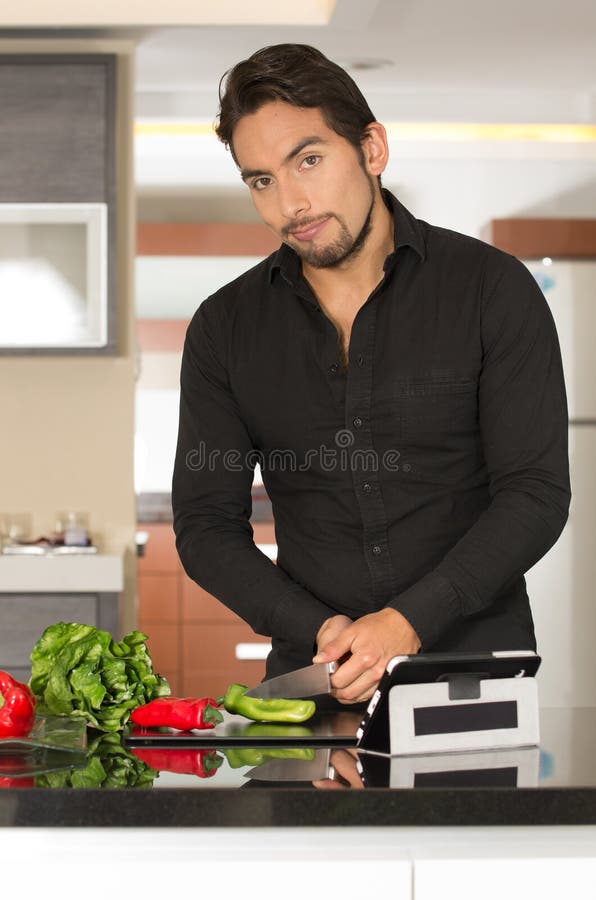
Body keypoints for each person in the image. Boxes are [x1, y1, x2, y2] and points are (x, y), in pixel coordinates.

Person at [172, 44, 570, 705]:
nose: (290, 202)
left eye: (309, 159)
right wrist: (321, 629)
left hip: (474, 677)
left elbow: (534, 493)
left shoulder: (491, 290)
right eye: (261, 180)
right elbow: (205, 524)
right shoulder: (225, 328)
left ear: (372, 149)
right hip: (313, 680)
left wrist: (406, 623)